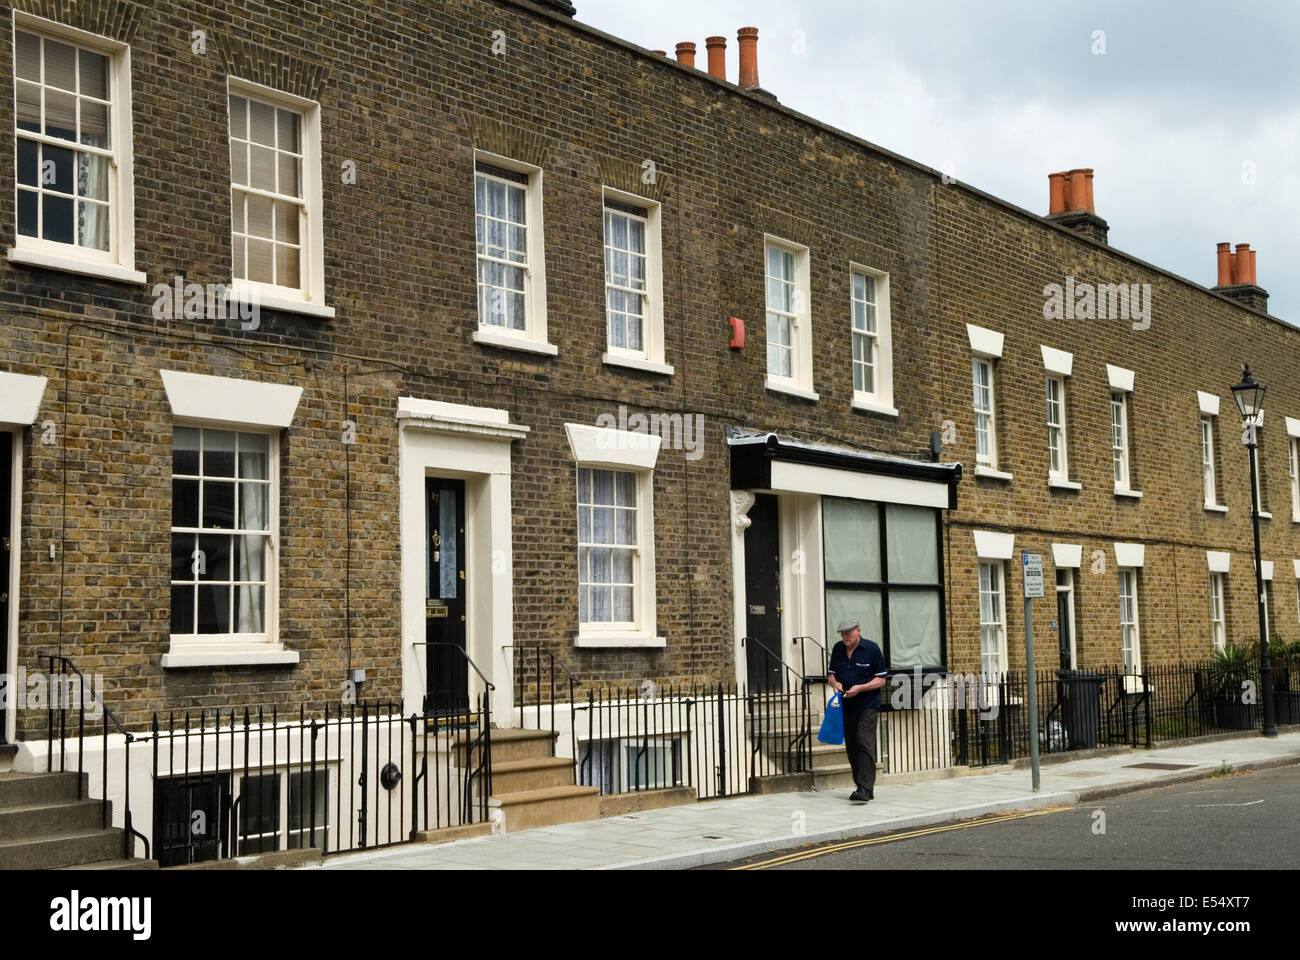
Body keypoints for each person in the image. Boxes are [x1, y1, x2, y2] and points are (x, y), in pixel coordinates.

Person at [826, 617, 887, 802]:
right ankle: (864, 788)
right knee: (852, 745)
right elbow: (831, 675)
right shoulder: (838, 649)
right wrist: (835, 684)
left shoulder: (872, 649)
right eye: (842, 634)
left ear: (858, 631)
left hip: (868, 704)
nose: (845, 637)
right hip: (846, 705)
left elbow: (881, 679)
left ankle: (864, 788)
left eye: (848, 633)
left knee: (864, 741)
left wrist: (861, 687)